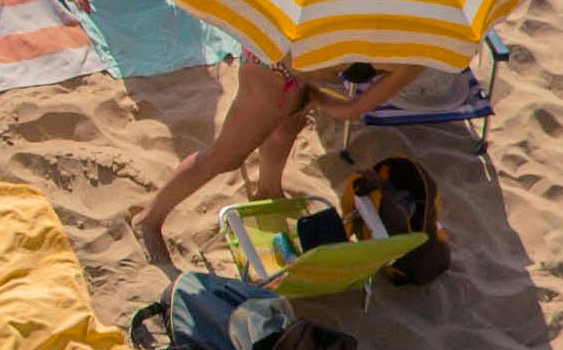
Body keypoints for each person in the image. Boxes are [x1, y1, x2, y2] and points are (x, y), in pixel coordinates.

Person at [132, 48, 423, 269]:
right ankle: (150, 219)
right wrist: (315, 97)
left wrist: (311, 96)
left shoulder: (413, 57)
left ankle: (268, 191)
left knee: (284, 131)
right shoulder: (381, 12)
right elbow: (348, 110)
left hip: (295, 72)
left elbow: (353, 108)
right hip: (273, 63)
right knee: (225, 157)